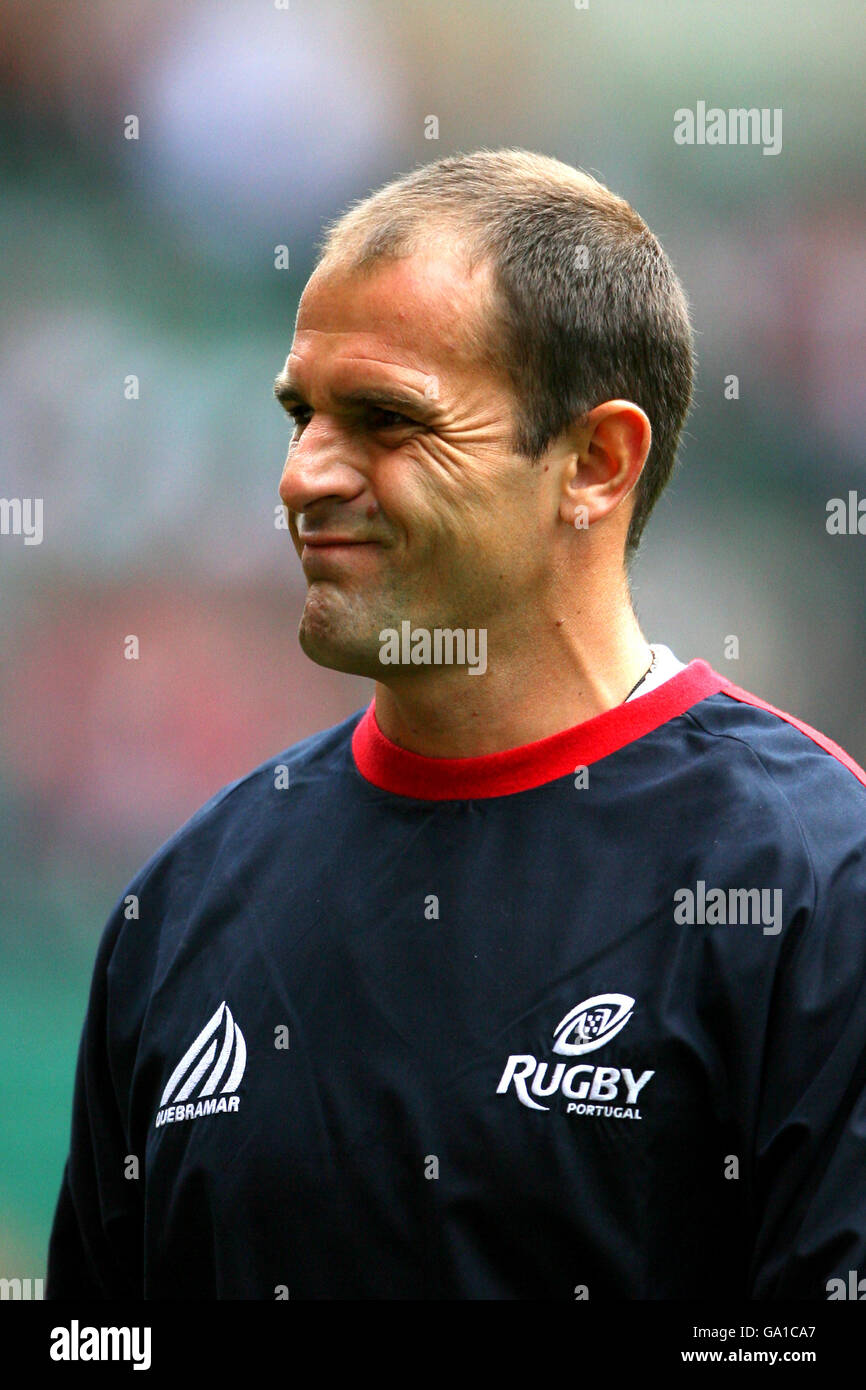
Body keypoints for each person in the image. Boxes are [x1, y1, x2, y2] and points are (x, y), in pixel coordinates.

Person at [47, 149, 866, 1300]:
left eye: (384, 420)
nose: (299, 477)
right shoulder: (182, 903)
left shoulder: (811, 883)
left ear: (594, 461)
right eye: (300, 414)